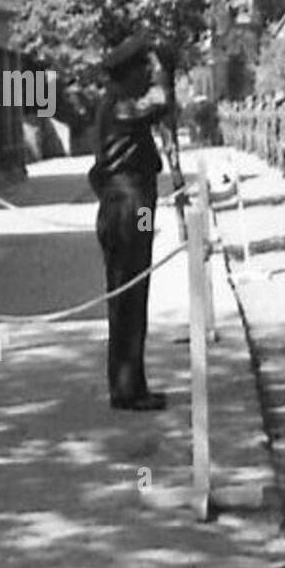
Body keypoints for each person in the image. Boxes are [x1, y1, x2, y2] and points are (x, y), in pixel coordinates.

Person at [90, 36, 171, 411]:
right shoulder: (120, 106)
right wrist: (165, 71)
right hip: (129, 205)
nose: (147, 77)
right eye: (143, 70)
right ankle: (126, 388)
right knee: (128, 294)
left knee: (133, 295)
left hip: (132, 202)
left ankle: (132, 383)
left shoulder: (117, 103)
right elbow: (162, 104)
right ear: (129, 74)